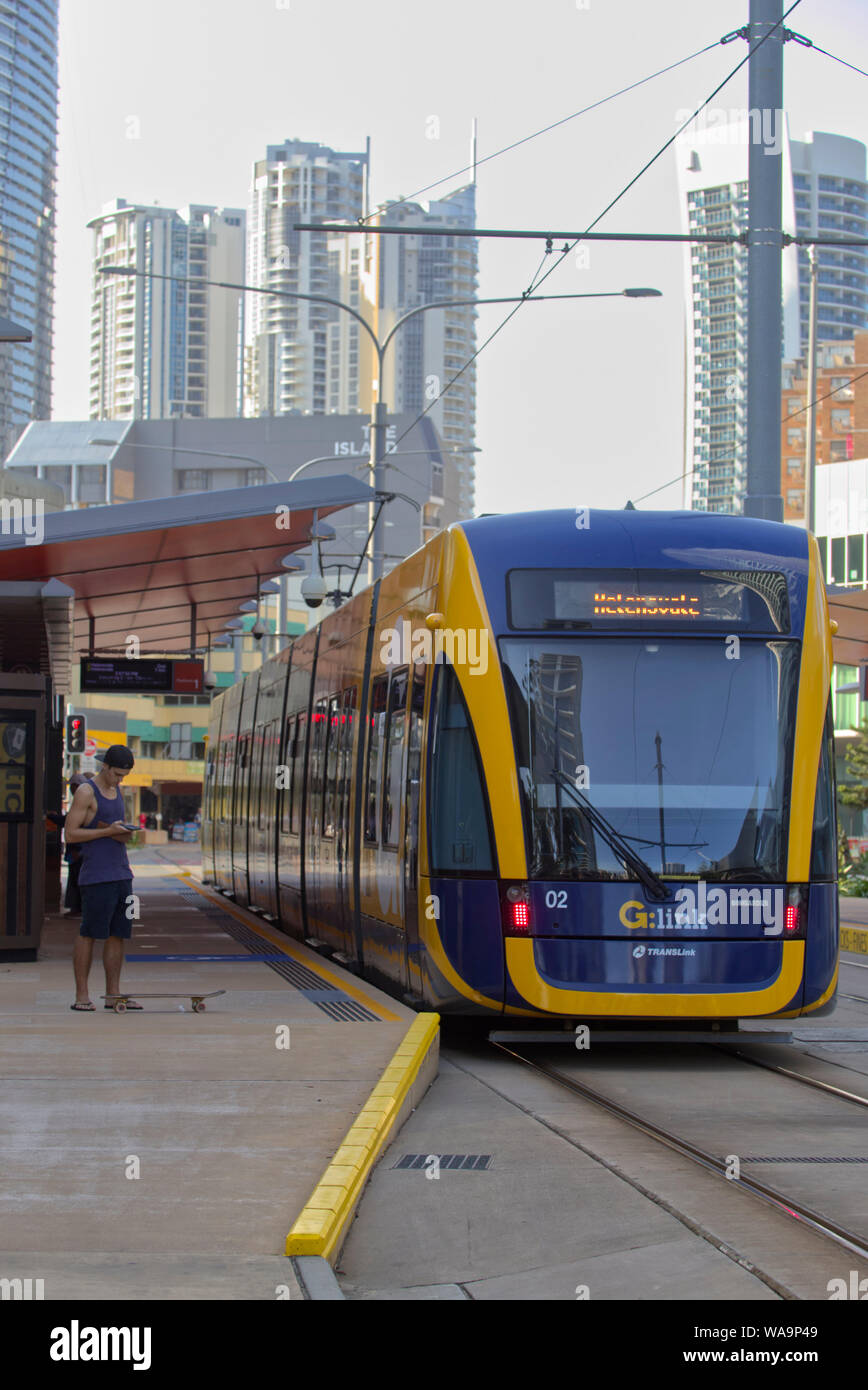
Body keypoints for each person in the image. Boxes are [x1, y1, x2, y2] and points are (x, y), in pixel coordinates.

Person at [64, 746, 137, 1012]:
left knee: (119, 933)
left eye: (124, 776)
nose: (120, 780)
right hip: (96, 876)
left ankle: (113, 994)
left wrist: (122, 832)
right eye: (117, 774)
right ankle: (82, 995)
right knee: (90, 933)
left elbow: (111, 827)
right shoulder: (86, 792)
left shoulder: (117, 790)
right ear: (105, 766)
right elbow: (70, 834)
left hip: (122, 873)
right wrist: (106, 833)